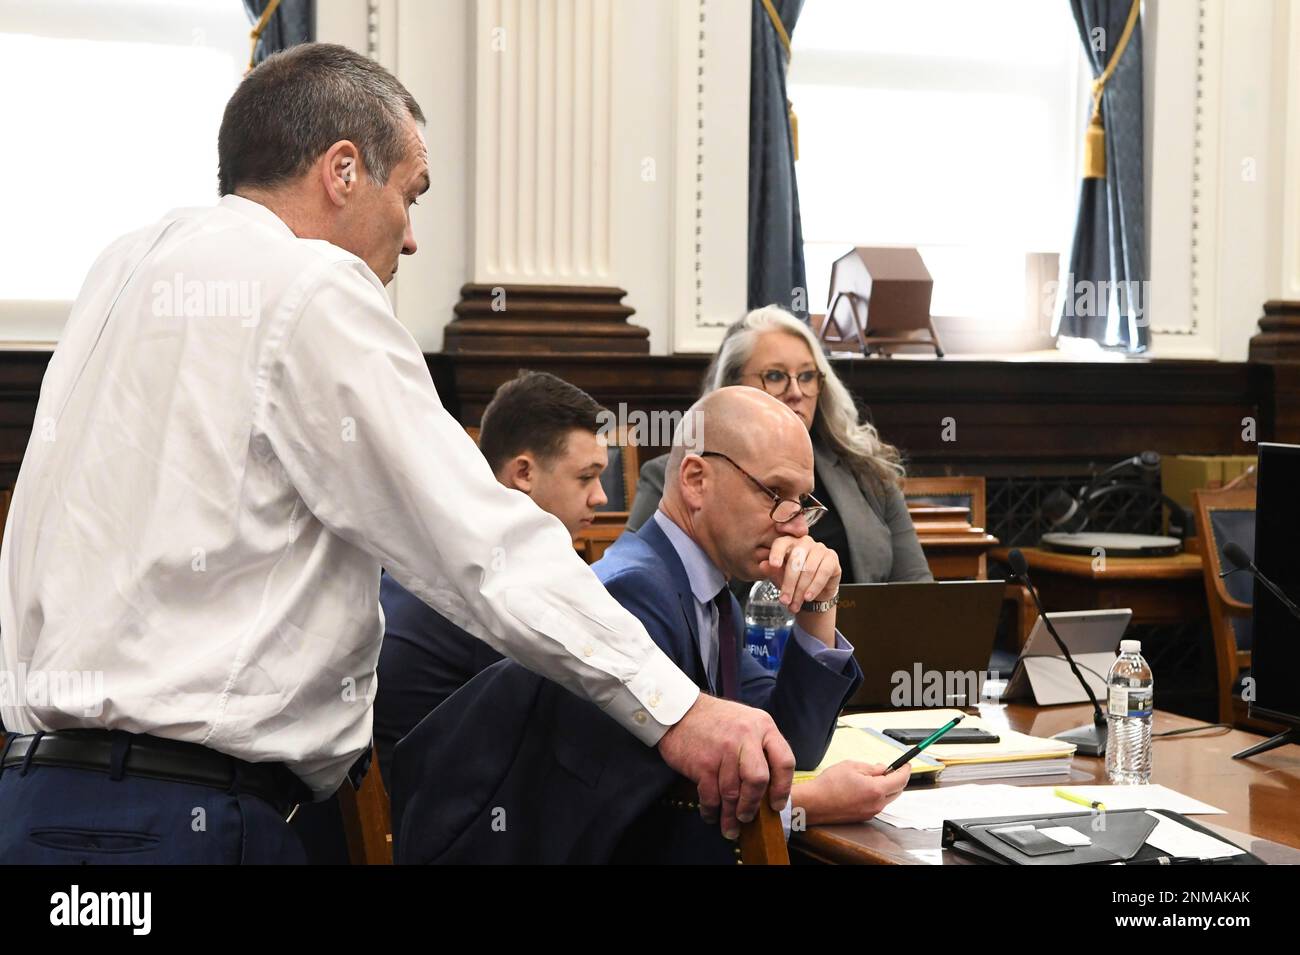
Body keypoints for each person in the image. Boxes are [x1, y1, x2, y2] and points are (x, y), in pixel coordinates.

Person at [0, 43, 790, 864]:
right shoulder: (309, 284)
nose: (411, 240)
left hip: (34, 804)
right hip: (192, 821)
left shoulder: (121, 272)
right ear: (343, 170)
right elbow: (482, 546)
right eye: (409, 195)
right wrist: (678, 709)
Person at [390, 388, 909, 863]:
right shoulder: (633, 592)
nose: (795, 523)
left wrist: (819, 609)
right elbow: (642, 822)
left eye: (804, 502)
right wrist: (806, 806)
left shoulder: (709, 592)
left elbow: (789, 746)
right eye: (775, 493)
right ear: (695, 481)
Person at [374, 370, 611, 783]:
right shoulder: (500, 575)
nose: (601, 496)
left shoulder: (450, 540)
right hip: (444, 824)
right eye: (585, 477)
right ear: (524, 473)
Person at [627, 306, 932, 584]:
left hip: (857, 639)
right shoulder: (679, 473)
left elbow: (917, 592)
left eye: (807, 376)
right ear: (732, 387)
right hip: (733, 640)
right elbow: (638, 577)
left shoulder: (866, 469)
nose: (796, 392)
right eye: (775, 376)